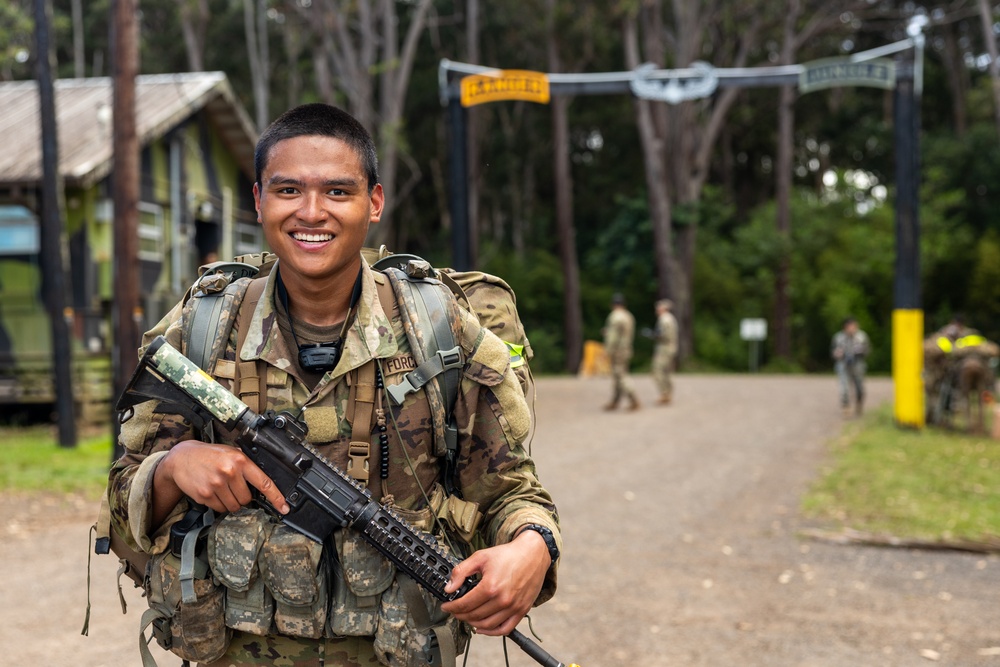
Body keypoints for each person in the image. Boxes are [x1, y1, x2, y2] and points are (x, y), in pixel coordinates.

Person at [105, 103, 560, 667]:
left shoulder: (438, 331)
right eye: (288, 190)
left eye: (338, 192)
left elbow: (513, 489)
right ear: (258, 201)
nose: (312, 213)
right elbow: (122, 494)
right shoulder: (203, 328)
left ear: (374, 203)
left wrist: (532, 546)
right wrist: (175, 467)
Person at [602, 292, 640, 411]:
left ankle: (634, 399)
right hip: (626, 349)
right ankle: (615, 400)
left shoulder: (615, 316)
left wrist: (606, 351)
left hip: (617, 351)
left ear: (613, 304)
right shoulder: (628, 316)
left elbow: (612, 337)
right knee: (618, 375)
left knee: (620, 375)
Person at [831, 316, 870, 416]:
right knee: (844, 386)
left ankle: (859, 404)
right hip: (843, 364)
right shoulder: (838, 338)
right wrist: (838, 354)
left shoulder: (861, 336)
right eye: (849, 326)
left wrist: (859, 353)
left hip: (857, 363)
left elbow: (867, 350)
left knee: (859, 387)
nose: (852, 328)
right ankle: (846, 406)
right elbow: (834, 351)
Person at [651, 299, 678, 405]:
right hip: (671, 348)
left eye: (658, 307)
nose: (656, 310)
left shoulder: (664, 319)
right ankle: (668, 393)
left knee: (658, 371)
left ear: (663, 308)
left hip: (664, 349)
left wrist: (653, 335)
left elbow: (663, 335)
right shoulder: (671, 318)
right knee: (667, 372)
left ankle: (664, 393)